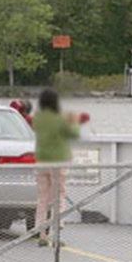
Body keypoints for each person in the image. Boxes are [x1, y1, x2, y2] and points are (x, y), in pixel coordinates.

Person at [31, 88, 80, 247]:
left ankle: (41, 233)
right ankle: (57, 233)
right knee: (58, 197)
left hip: (41, 161)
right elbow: (73, 134)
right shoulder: (61, 119)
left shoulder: (37, 119)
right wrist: (74, 121)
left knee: (42, 198)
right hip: (57, 162)